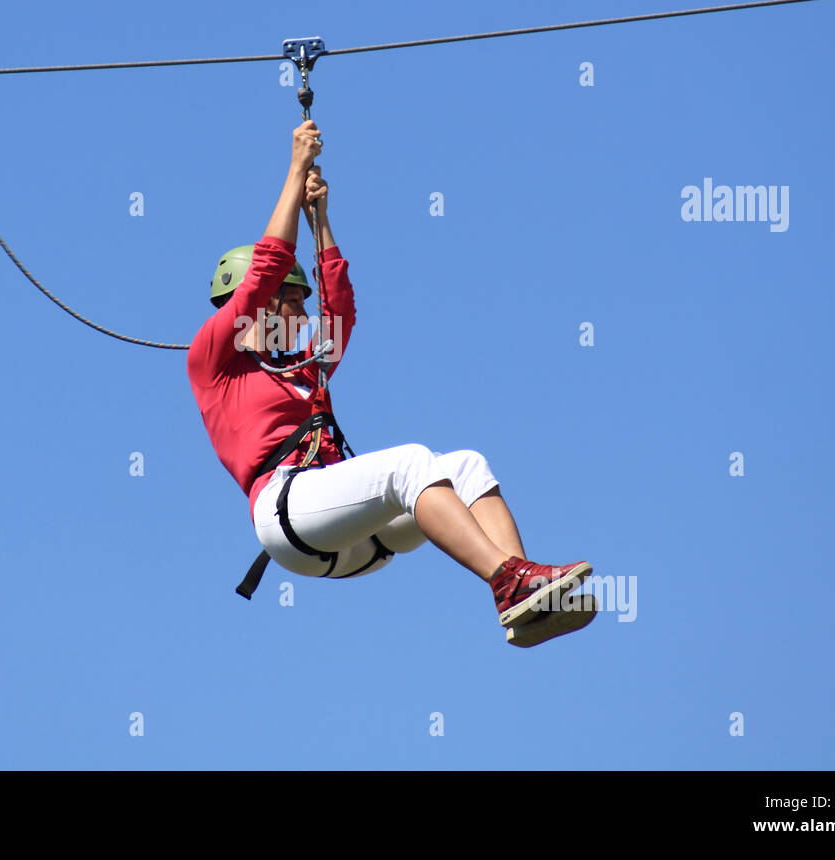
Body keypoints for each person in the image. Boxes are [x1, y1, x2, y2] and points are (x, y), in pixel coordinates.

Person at [187, 119, 597, 647]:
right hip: (288, 515)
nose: (303, 314)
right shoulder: (212, 359)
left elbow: (340, 313)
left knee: (466, 466)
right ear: (259, 302)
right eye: (292, 301)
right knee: (411, 462)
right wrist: (295, 169)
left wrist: (320, 221)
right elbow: (267, 266)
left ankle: (523, 595)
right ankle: (507, 581)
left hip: (354, 537)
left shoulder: (300, 370)